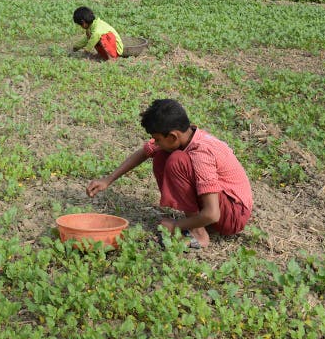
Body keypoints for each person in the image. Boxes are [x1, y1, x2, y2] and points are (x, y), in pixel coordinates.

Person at [85, 99, 253, 248]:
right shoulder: (185, 137)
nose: (155, 142)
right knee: (160, 156)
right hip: (222, 206)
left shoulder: (201, 153)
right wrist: (108, 179)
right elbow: (145, 152)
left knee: (176, 161)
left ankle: (199, 235)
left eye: (157, 139)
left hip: (233, 214)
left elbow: (212, 214)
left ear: (173, 136)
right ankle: (196, 223)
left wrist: (175, 225)